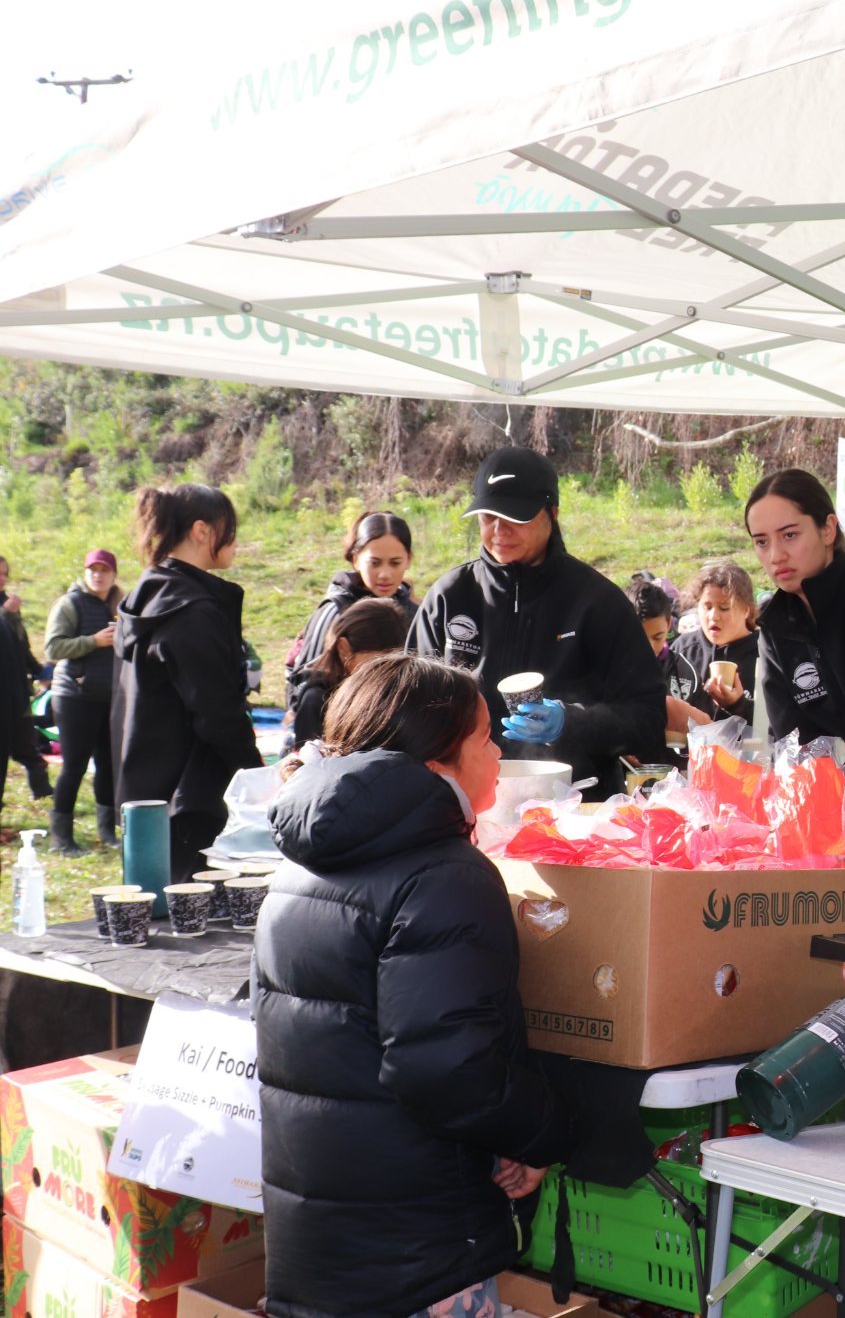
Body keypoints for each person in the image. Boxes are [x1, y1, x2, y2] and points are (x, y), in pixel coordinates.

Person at [254, 652, 574, 1318]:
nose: (499, 749)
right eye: (486, 736)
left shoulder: (302, 861)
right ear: (438, 760)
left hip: (322, 1248)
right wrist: (540, 1130)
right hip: (415, 1253)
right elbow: (449, 1069)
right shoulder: (445, 874)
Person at [409, 447, 663, 798]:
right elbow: (406, 706)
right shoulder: (450, 597)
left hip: (574, 803)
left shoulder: (597, 601)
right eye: (488, 517)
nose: (500, 530)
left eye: (516, 517)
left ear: (553, 513)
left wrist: (570, 721)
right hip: (464, 802)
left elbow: (647, 718)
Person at [115, 487, 264, 885]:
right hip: (191, 798)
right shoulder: (192, 611)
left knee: (156, 913)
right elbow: (215, 712)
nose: (236, 542)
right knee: (195, 926)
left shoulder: (149, 595)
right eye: (229, 531)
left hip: (145, 790)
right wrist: (255, 774)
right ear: (202, 531)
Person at [746, 469, 845, 748]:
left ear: (828, 529)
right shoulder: (777, 623)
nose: (775, 556)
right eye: (761, 542)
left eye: (790, 535)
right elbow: (791, 744)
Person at [283, 511, 417, 709]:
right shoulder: (334, 611)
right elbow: (305, 684)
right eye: (375, 563)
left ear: (408, 560)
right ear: (355, 559)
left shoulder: (415, 612)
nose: (385, 574)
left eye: (395, 563)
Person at [41, 550, 123, 854]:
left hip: (109, 697)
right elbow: (52, 648)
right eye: (93, 570)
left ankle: (108, 833)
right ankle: (61, 840)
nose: (98, 575)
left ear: (114, 575)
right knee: (74, 767)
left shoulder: (119, 606)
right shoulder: (69, 604)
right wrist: (93, 641)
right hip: (74, 697)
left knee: (107, 766)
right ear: (85, 573)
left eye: (104, 570)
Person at [631, 564, 758, 744]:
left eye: (724, 608)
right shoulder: (684, 647)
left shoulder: (765, 652)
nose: (714, 616)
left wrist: (738, 704)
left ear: (746, 609)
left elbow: (776, 723)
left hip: (749, 756)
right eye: (706, 607)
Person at [285, 598, 411, 751]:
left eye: (392, 663)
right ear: (343, 648)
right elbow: (307, 764)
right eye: (375, 663)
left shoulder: (397, 693)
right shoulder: (317, 700)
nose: (383, 672)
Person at [0, 555, 54, 806]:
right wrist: (5, 614)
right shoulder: (7, 608)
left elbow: (20, 646)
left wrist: (40, 670)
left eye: (4, 574)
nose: (1, 579)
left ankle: (43, 793)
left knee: (27, 744)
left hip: (17, 691)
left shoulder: (9, 604)